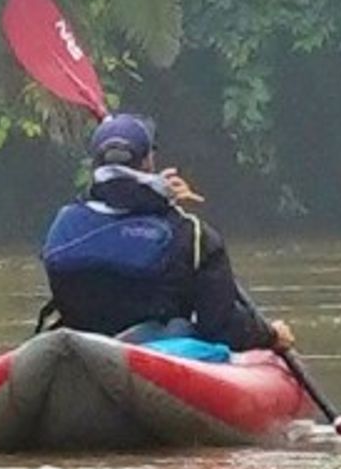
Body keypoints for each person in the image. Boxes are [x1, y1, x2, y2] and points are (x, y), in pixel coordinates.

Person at [39, 111, 295, 354]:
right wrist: (270, 335)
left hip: (79, 353)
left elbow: (114, 206)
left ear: (94, 164)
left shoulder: (64, 225)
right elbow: (220, 324)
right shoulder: (189, 234)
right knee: (182, 329)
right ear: (148, 162)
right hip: (155, 358)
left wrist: (160, 202)